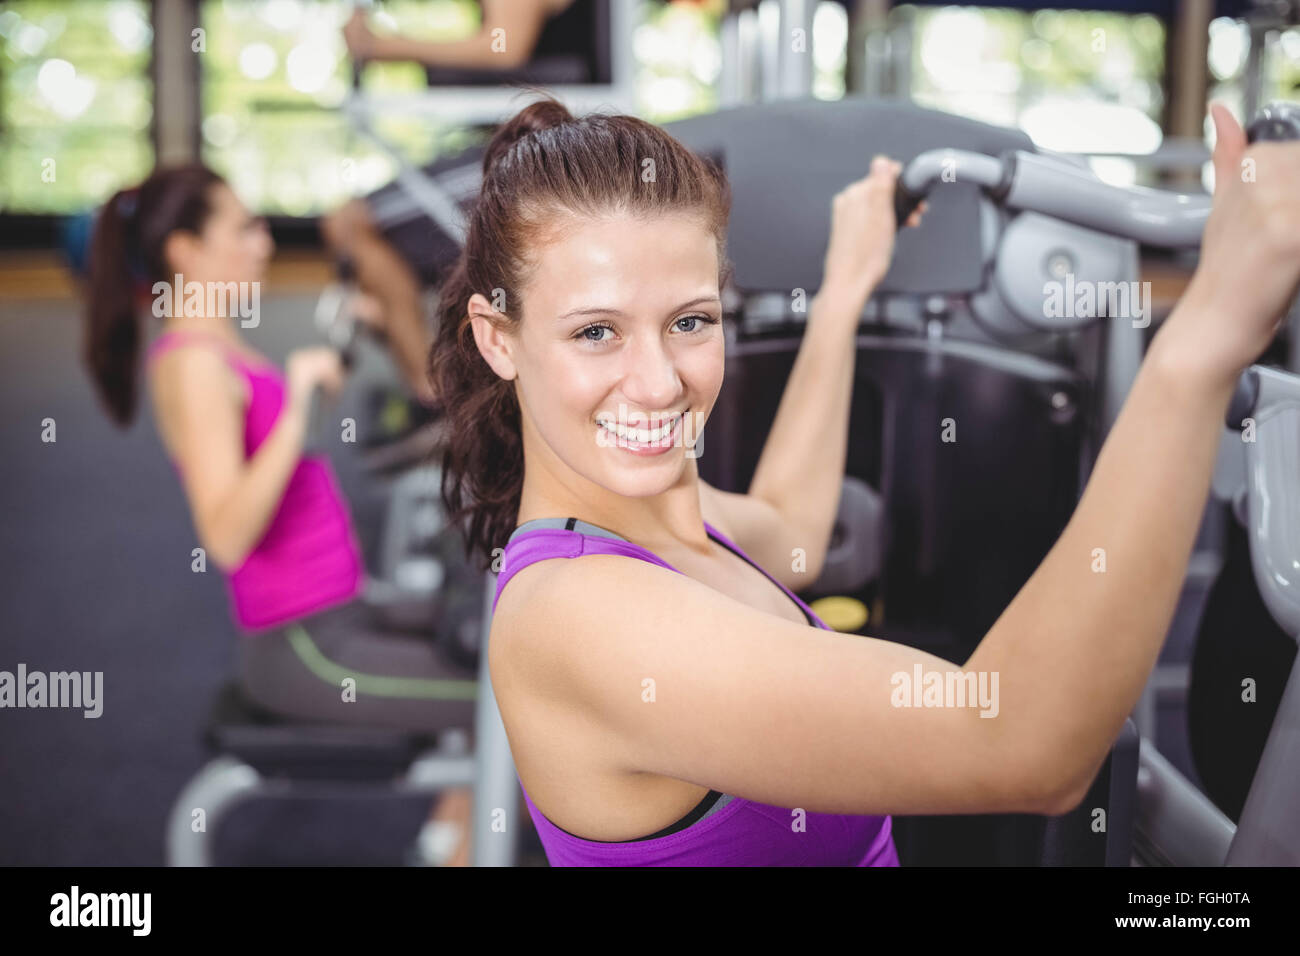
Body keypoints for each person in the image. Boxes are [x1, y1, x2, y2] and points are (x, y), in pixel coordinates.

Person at [428, 95, 1300, 866]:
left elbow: (794, 527)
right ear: (498, 338)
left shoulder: (662, 524)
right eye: (595, 334)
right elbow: (1022, 746)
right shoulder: (579, 616)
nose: (659, 382)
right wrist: (1207, 335)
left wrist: (842, 290)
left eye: (690, 321)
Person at [81, 164, 479, 866]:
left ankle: (452, 844)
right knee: (509, 698)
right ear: (184, 251)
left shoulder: (221, 348)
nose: (264, 244)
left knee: (503, 648)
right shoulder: (191, 365)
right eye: (244, 228)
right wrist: (298, 408)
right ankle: (459, 846)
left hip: (342, 613)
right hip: (304, 649)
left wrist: (346, 356)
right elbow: (227, 534)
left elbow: (275, 462)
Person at [321, 0, 587, 408]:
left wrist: (379, 46)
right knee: (353, 236)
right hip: (507, 140)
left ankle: (434, 395)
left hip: (540, 147)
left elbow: (506, 46)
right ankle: (404, 342)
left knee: (350, 224)